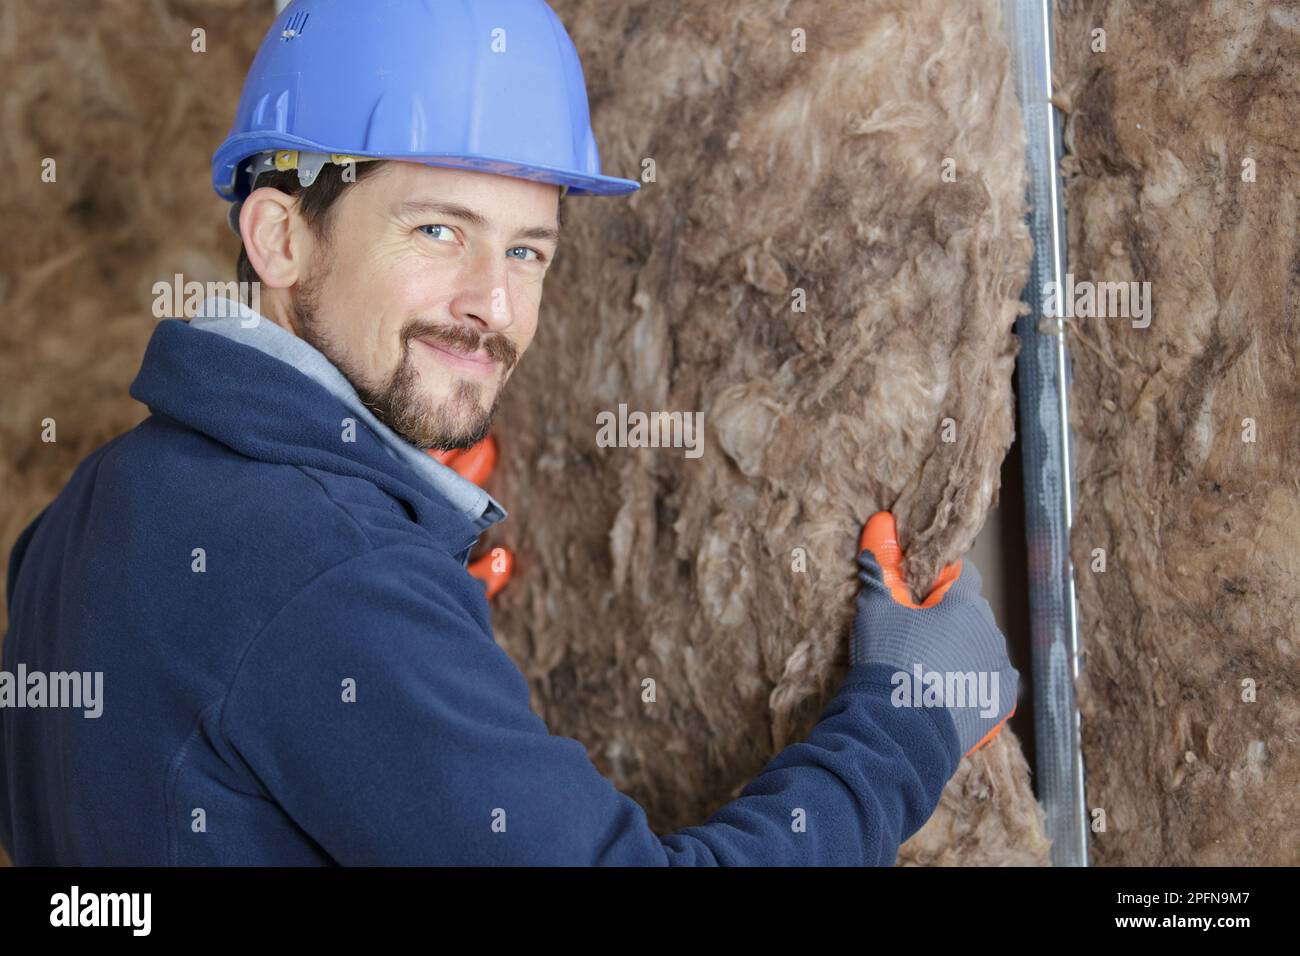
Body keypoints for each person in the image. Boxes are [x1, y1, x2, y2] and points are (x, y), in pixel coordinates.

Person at [0, 0, 1017, 865]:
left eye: (528, 250)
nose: (492, 303)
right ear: (280, 235)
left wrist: (401, 634)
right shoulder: (336, 579)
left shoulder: (95, 504)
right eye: (437, 229)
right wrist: (908, 717)